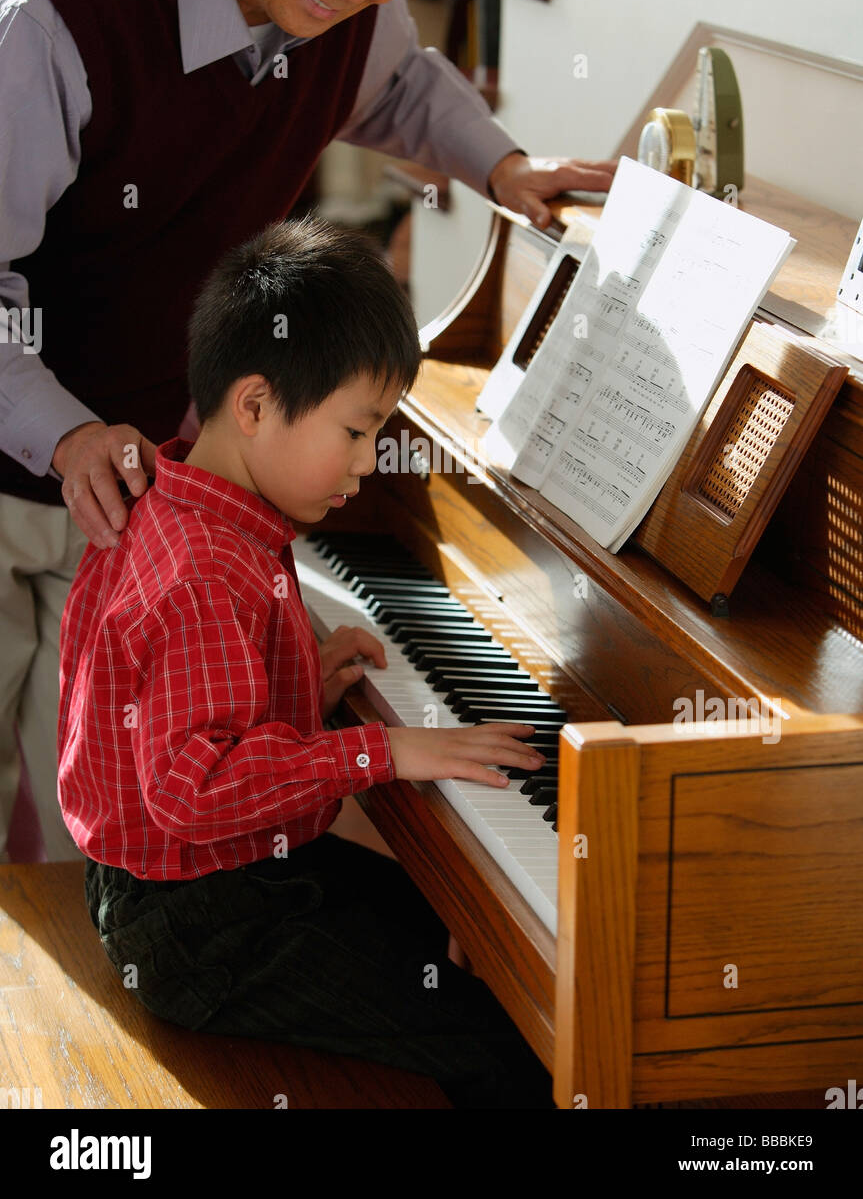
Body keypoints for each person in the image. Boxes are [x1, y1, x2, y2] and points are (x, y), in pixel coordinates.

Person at [0, 0, 614, 861]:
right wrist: (63, 435)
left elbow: (405, 86)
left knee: (103, 843)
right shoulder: (55, 22)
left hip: (129, 482)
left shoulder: (357, 13)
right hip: (37, 442)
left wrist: (501, 168)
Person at [60, 216, 554, 1109]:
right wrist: (386, 752)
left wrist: (302, 684)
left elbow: (184, 702)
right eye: (356, 432)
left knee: (461, 942)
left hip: (195, 884)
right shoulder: (204, 574)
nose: (367, 466)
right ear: (254, 405)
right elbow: (193, 790)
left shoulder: (191, 503)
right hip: (199, 925)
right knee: (511, 1031)